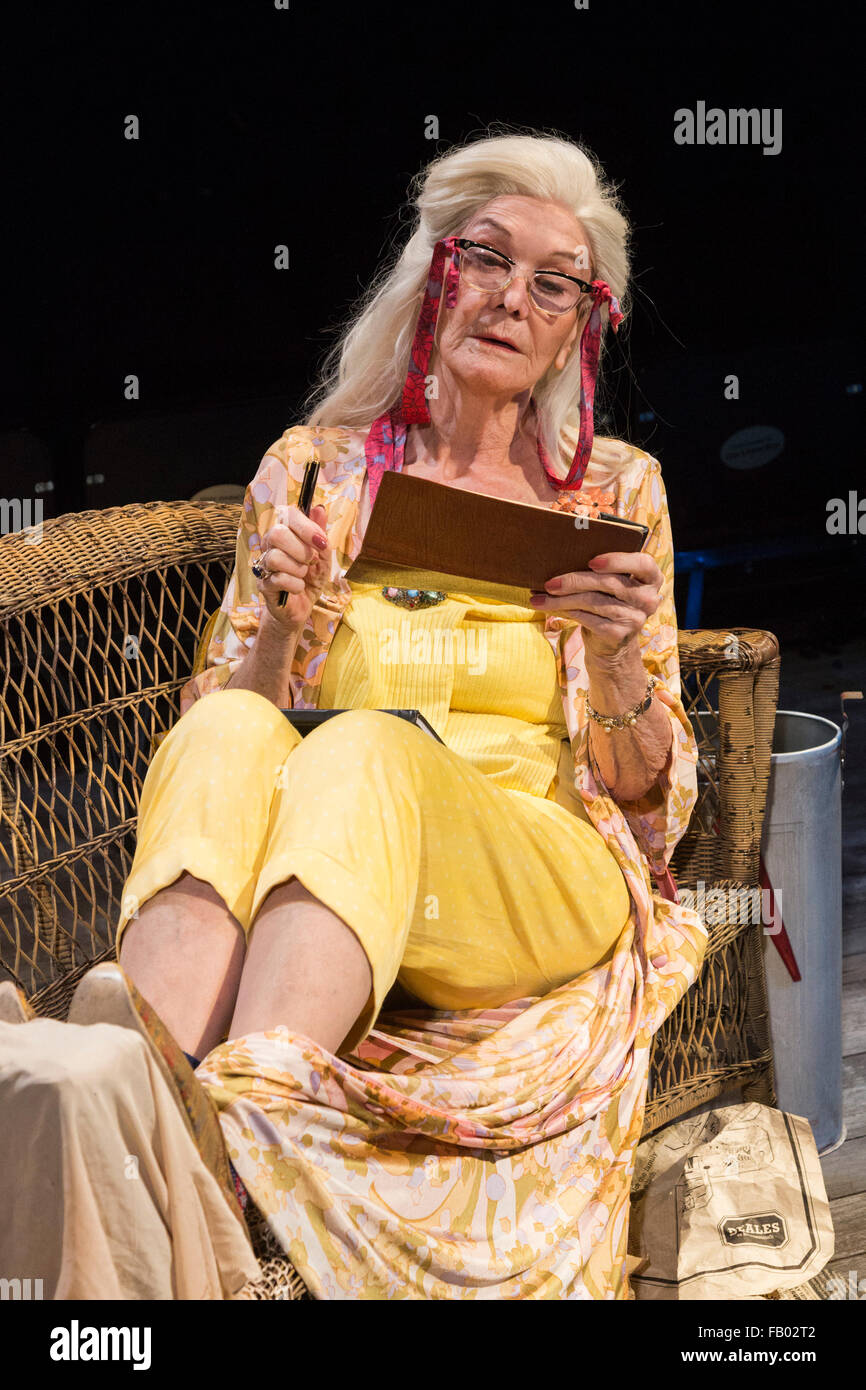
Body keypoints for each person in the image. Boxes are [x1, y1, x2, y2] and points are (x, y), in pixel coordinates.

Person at [0, 130, 706, 1300]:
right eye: (485, 258)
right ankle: (161, 1071)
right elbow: (218, 740)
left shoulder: (612, 490)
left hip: (530, 866)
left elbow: (652, 810)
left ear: (578, 326)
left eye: (552, 283)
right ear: (434, 273)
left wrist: (615, 652)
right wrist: (282, 621)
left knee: (372, 742)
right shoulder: (315, 467)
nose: (511, 298)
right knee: (233, 730)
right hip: (336, 848)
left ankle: (194, 1111)